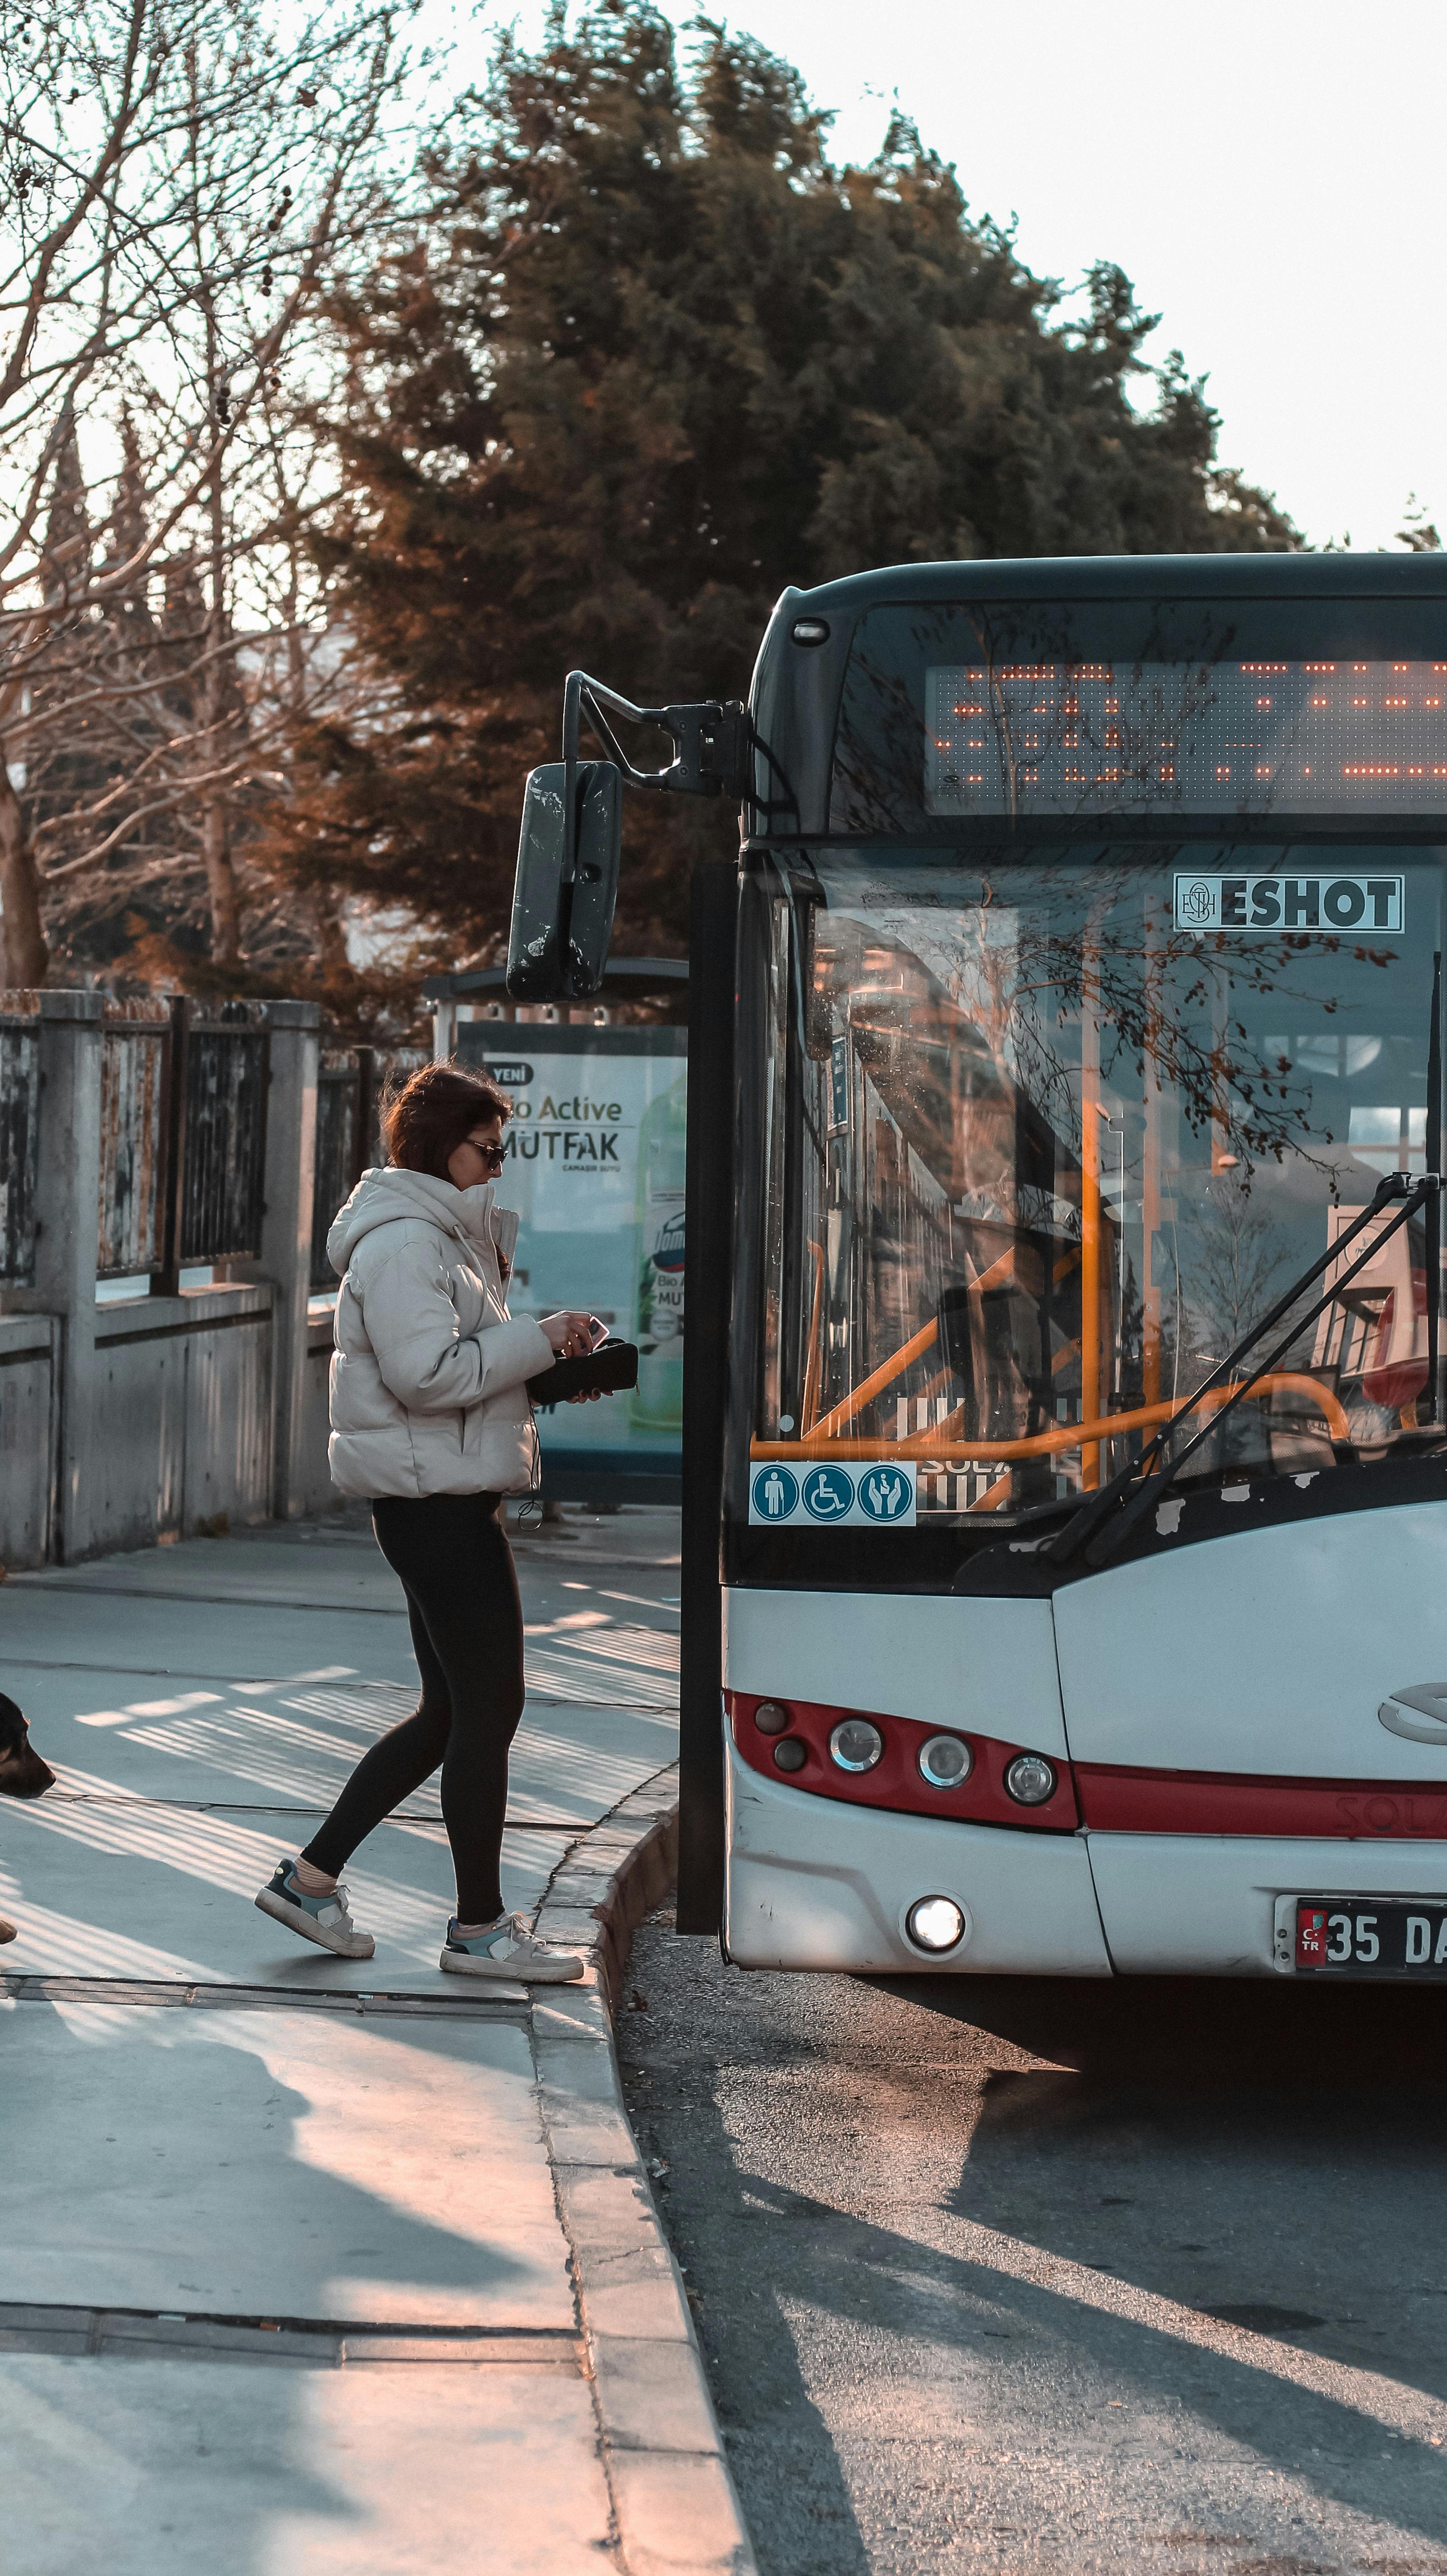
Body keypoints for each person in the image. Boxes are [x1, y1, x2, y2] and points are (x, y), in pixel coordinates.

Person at [255, 1061, 600, 1983]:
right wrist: (538, 1338)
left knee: (453, 1712)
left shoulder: (436, 1235)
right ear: (440, 1142)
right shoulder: (407, 1242)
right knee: (490, 1708)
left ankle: (312, 1879)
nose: (498, 1166)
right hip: (436, 1513)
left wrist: (548, 1350)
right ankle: (481, 1931)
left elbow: (453, 1366)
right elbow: (427, 1376)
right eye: (489, 1149)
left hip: (439, 1502)